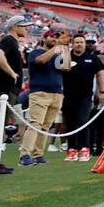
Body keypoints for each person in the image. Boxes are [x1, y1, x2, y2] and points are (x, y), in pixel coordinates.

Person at [0, 15, 30, 175]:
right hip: (1, 90)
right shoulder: (9, 40)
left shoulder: (12, 42)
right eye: (24, 26)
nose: (27, 28)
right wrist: (11, 72)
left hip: (5, 90)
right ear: (15, 27)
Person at [22, 29, 70, 165]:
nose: (55, 39)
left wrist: (66, 49)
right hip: (40, 93)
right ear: (44, 38)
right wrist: (57, 47)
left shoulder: (56, 54)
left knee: (46, 126)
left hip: (56, 94)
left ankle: (38, 154)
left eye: (57, 37)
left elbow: (66, 67)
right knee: (35, 124)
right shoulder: (35, 53)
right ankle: (25, 154)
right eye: (52, 37)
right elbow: (41, 61)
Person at [62, 33, 103, 161]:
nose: (79, 44)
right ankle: (72, 149)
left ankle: (84, 149)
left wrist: (101, 91)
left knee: (83, 121)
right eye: (76, 42)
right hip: (67, 96)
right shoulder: (66, 57)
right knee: (70, 123)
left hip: (85, 96)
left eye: (81, 42)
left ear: (85, 44)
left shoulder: (93, 58)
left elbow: (100, 74)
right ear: (72, 44)